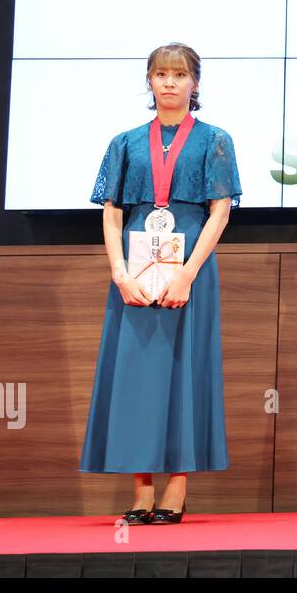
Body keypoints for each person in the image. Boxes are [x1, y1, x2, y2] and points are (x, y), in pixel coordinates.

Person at [81, 42, 241, 525]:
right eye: (160, 74)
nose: (170, 83)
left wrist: (188, 274)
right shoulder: (125, 143)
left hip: (191, 268)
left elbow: (220, 212)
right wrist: (119, 273)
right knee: (136, 376)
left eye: (180, 75)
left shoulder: (214, 140)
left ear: (195, 83)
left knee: (184, 370)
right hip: (134, 269)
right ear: (149, 82)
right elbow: (112, 212)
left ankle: (177, 487)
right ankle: (141, 489)